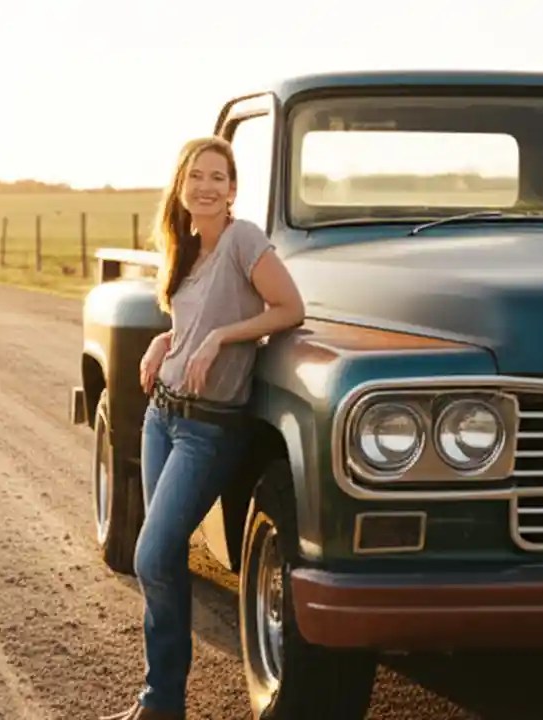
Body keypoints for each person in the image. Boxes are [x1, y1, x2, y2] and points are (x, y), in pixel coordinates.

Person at [101, 136, 304, 720]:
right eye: (197, 177)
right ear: (182, 188)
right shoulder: (186, 249)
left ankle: (161, 700)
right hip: (162, 414)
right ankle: (162, 700)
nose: (208, 186)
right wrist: (168, 339)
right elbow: (188, 316)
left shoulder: (244, 240)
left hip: (209, 428)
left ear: (234, 189)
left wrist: (222, 337)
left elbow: (290, 309)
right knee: (160, 558)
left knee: (153, 553)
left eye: (219, 177)